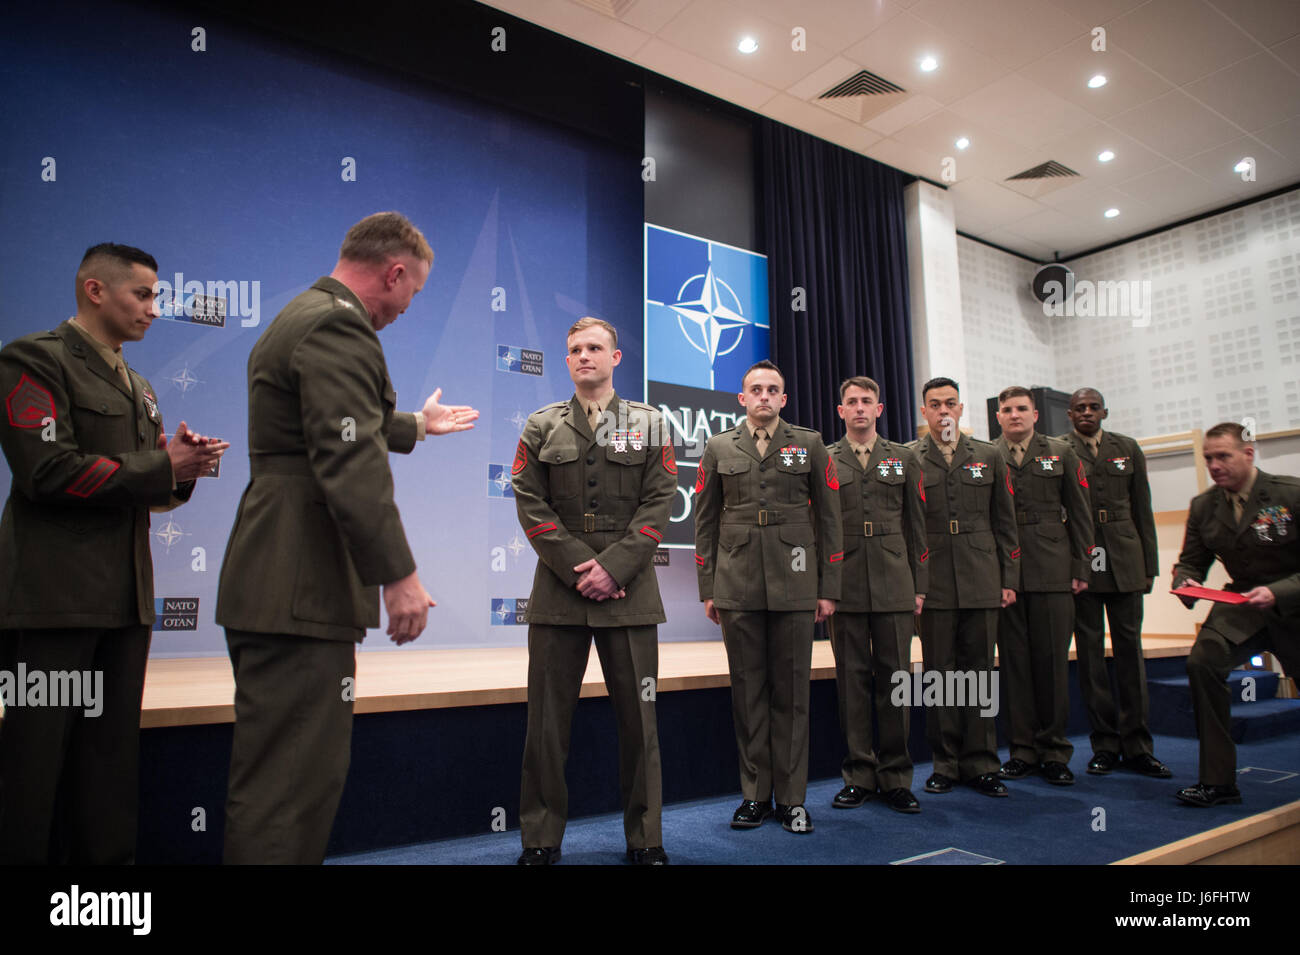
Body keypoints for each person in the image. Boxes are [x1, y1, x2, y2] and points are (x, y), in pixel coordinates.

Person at [215, 212, 478, 863]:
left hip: (275, 579)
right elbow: (348, 460)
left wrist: (417, 423)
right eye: (412, 292)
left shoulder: (300, 314)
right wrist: (400, 575)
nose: (407, 308)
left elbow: (342, 422)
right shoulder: (339, 324)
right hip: (302, 585)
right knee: (292, 786)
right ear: (393, 272)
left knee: (277, 775)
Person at [0, 242, 227, 863]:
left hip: (124, 606)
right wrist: (160, 464)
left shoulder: (142, 387)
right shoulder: (34, 361)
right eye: (145, 294)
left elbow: (141, 492)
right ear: (96, 291)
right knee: (33, 772)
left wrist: (182, 472)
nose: (156, 308)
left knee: (108, 771)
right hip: (54, 606)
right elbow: (46, 471)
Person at [511, 317, 675, 866]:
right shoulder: (540, 425)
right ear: (567, 360)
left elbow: (659, 504)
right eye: (575, 349)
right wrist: (583, 565)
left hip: (629, 591)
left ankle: (646, 838)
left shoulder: (651, 424)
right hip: (561, 590)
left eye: (595, 348)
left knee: (640, 722)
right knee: (546, 726)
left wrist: (616, 567)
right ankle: (540, 839)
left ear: (616, 358)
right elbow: (529, 503)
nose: (585, 356)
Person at [694, 360, 842, 834]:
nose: (763, 396)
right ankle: (755, 796)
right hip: (737, 585)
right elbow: (705, 521)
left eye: (772, 390)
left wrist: (828, 588)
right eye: (754, 389)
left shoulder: (811, 444)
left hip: (796, 583)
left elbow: (830, 518)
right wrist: (708, 587)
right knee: (748, 692)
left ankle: (793, 800)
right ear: (742, 399)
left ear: (783, 399)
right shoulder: (718, 447)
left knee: (794, 694)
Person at [1171, 422, 1299, 807]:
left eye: (1223, 456)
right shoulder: (1204, 506)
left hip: (1293, 603)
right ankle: (1218, 782)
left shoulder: (1290, 494)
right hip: (1242, 606)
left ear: (1248, 453)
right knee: (1202, 662)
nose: (1214, 465)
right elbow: (1191, 562)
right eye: (1208, 458)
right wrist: (1186, 583)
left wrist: (1277, 592)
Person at [909, 377, 1018, 798]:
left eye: (949, 403)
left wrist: (1009, 579)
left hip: (980, 576)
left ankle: (982, 763)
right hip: (933, 580)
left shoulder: (989, 456)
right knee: (940, 674)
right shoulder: (909, 457)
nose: (942, 411)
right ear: (924, 412)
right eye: (934, 404)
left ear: (961, 408)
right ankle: (945, 763)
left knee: (978, 674)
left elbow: (1005, 522)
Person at [825, 376, 927, 814]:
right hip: (844, 583)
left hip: (893, 579)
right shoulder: (825, 459)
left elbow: (917, 524)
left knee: (896, 681)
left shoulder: (903, 458)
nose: (860, 408)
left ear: (880, 409)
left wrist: (919, 585)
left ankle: (896, 777)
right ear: (841, 411)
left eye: (868, 401)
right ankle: (859, 774)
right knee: (852, 682)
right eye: (852, 402)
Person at [1059, 388, 1171, 778]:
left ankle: (1139, 745)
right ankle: (1104, 744)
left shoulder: (1128, 448)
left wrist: (1149, 568)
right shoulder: (1059, 450)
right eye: (1080, 408)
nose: (1087, 413)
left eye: (1093, 407)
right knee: (1090, 660)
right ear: (1069, 414)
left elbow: (1143, 508)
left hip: (1125, 561)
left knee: (1130, 655)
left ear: (1105, 411)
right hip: (1085, 564)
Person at [992, 386, 1092, 786]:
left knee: (1051, 663)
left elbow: (1081, 512)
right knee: (1014, 664)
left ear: (1035, 414)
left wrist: (1083, 564)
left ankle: (1054, 750)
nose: (1014, 415)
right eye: (1006, 410)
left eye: (1021, 409)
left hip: (1053, 567)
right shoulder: (987, 455)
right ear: (997, 417)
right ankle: (1021, 750)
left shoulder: (1062, 453)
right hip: (1006, 572)